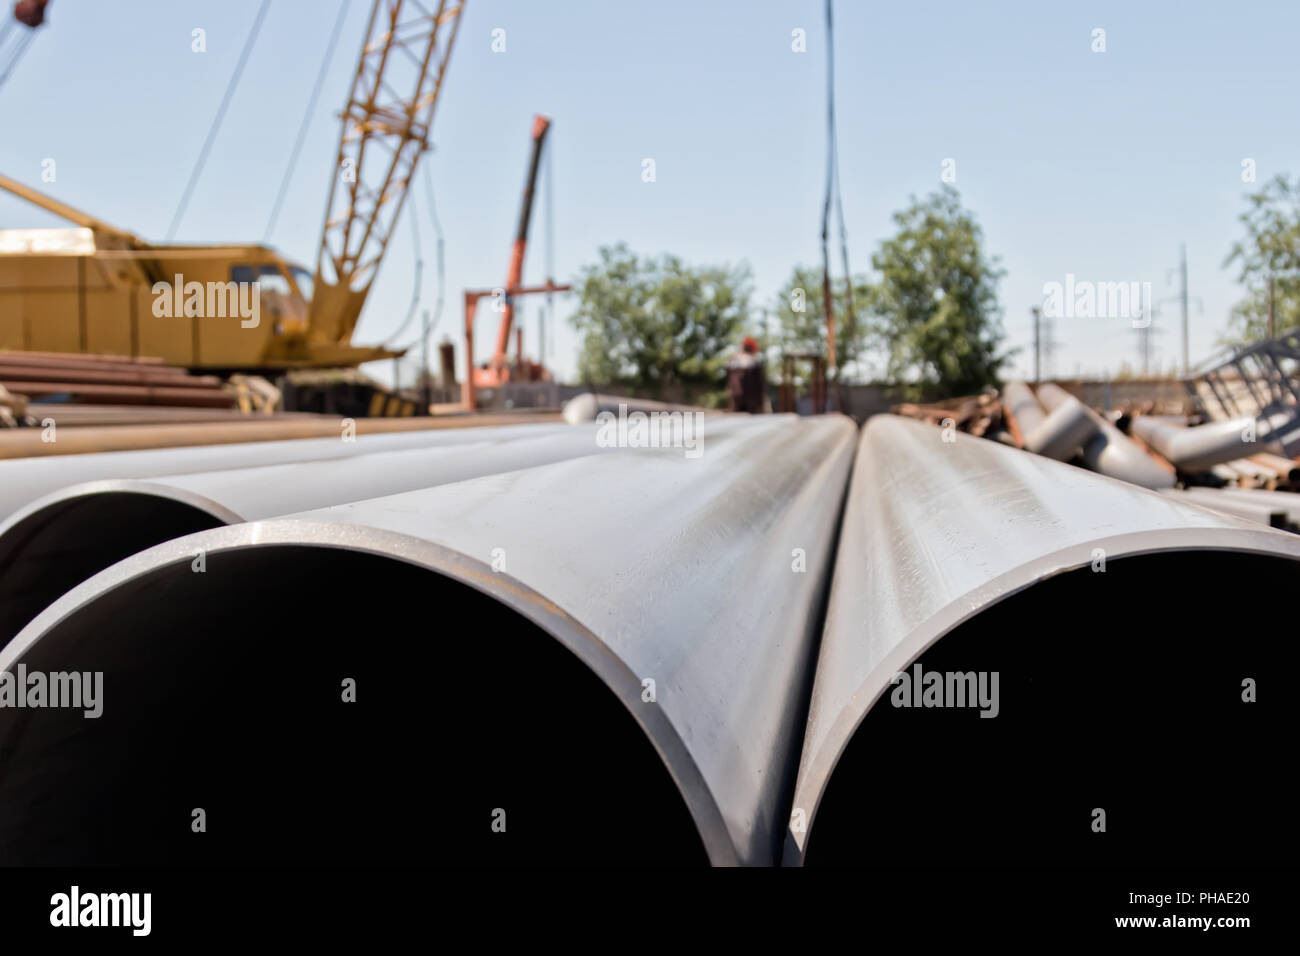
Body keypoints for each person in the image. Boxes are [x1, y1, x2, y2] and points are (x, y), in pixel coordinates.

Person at [725, 337, 767, 413]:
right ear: (752, 349)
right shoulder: (755, 362)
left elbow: (728, 379)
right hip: (751, 400)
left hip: (736, 397)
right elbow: (760, 383)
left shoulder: (732, 360)